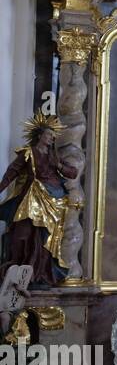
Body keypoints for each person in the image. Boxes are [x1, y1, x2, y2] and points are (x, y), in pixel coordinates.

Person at [0, 114, 75, 287]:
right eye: (49, 135)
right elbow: (11, 173)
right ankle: (19, 272)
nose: (51, 138)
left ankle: (39, 274)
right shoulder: (28, 153)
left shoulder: (54, 157)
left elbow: (73, 173)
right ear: (40, 135)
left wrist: (60, 166)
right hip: (32, 198)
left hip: (53, 200)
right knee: (22, 234)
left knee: (44, 240)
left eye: (52, 136)